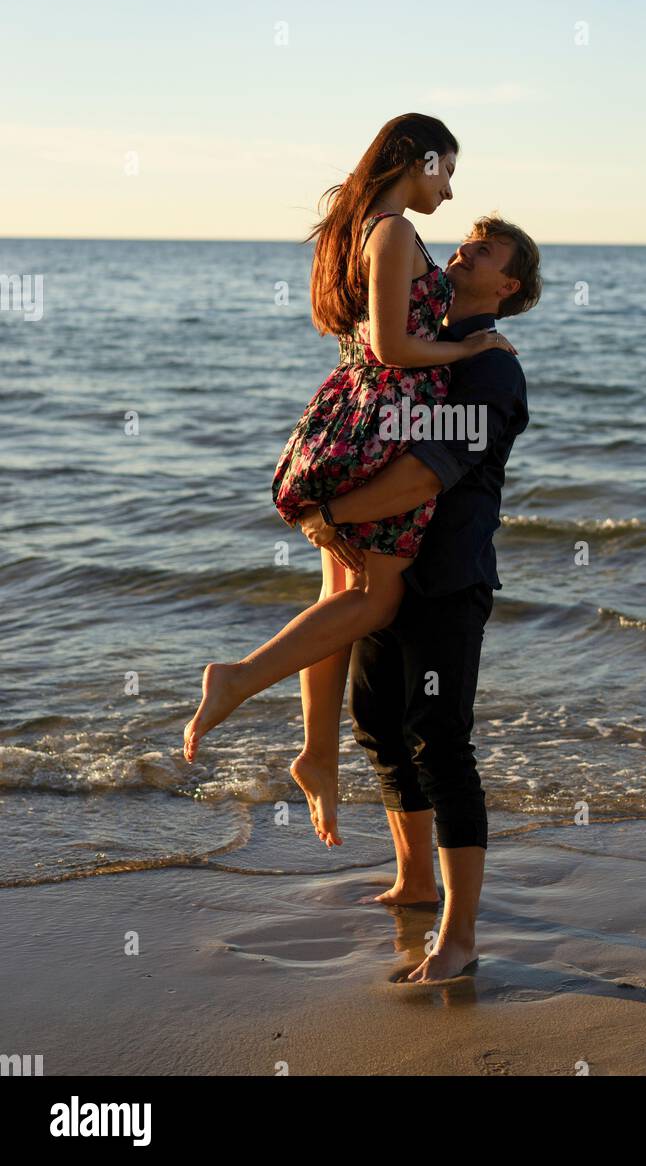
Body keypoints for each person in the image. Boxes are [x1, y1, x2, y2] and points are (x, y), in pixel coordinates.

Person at [181, 114, 516, 852]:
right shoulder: (393, 230)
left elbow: (353, 334)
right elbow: (391, 344)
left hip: (349, 411)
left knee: (340, 597)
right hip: (381, 422)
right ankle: (236, 680)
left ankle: (319, 756)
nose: (450, 190)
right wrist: (469, 343)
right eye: (445, 171)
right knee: (378, 595)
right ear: (418, 160)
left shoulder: (354, 226)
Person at [299, 214, 542, 981]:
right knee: (377, 724)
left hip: (446, 578)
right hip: (388, 570)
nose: (463, 248)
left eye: (484, 249)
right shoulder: (428, 348)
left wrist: (329, 515)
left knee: (442, 742)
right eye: (465, 238)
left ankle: (461, 937)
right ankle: (414, 878)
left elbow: (424, 476)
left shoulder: (492, 369)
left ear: (507, 286)